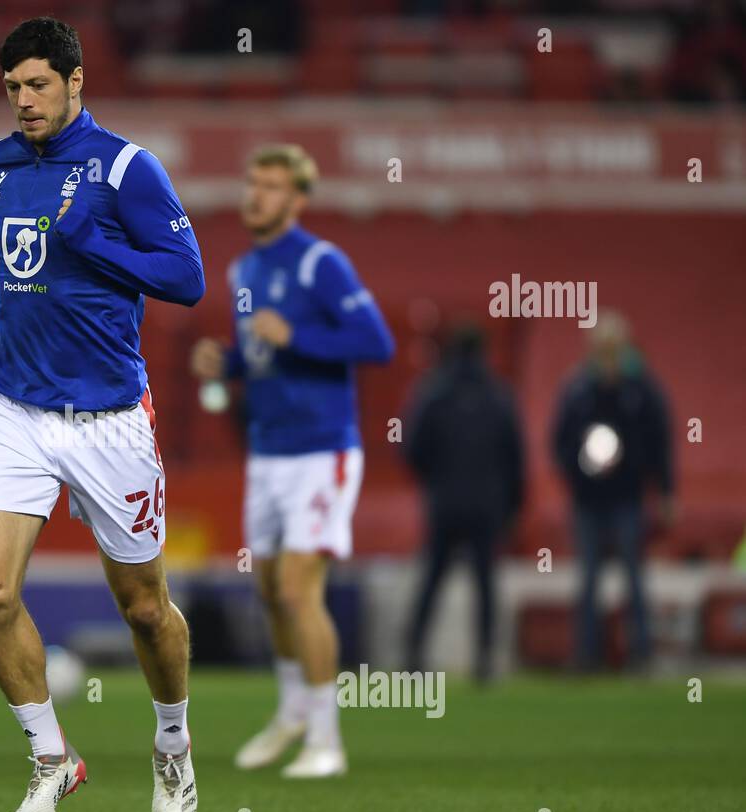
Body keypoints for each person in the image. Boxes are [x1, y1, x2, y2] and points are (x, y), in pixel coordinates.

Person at [0, 17, 205, 812]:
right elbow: (23, 273)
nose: (23, 102)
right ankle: (50, 758)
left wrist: (97, 243)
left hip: (108, 419)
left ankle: (172, 746)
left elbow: (187, 278)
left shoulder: (128, 167)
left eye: (37, 85)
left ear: (75, 83)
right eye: (11, 88)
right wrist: (1, 333)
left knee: (144, 610)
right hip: (16, 409)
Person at [191, 144, 394, 779]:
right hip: (269, 452)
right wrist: (224, 362)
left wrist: (297, 337)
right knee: (270, 593)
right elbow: (259, 354)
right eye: (253, 182)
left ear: (298, 201)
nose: (257, 195)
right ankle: (291, 713)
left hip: (321, 450)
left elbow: (377, 342)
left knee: (299, 590)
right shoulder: (243, 270)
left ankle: (327, 742)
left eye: (273, 186)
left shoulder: (321, 263)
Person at [401, 326, 524, 681]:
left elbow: (412, 450)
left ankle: (414, 653)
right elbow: (514, 457)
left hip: (445, 503)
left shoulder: (434, 393)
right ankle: (484, 659)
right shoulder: (498, 395)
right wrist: (512, 505)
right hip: (488, 505)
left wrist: (436, 482)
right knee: (485, 584)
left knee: (432, 579)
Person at [552, 315, 673, 671]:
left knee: (633, 578)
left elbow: (660, 444)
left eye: (612, 348)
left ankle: (641, 654)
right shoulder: (577, 389)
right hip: (588, 500)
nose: (606, 356)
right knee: (588, 580)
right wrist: (580, 471)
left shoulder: (643, 389)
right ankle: (587, 656)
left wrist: (665, 491)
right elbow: (559, 442)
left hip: (628, 498)